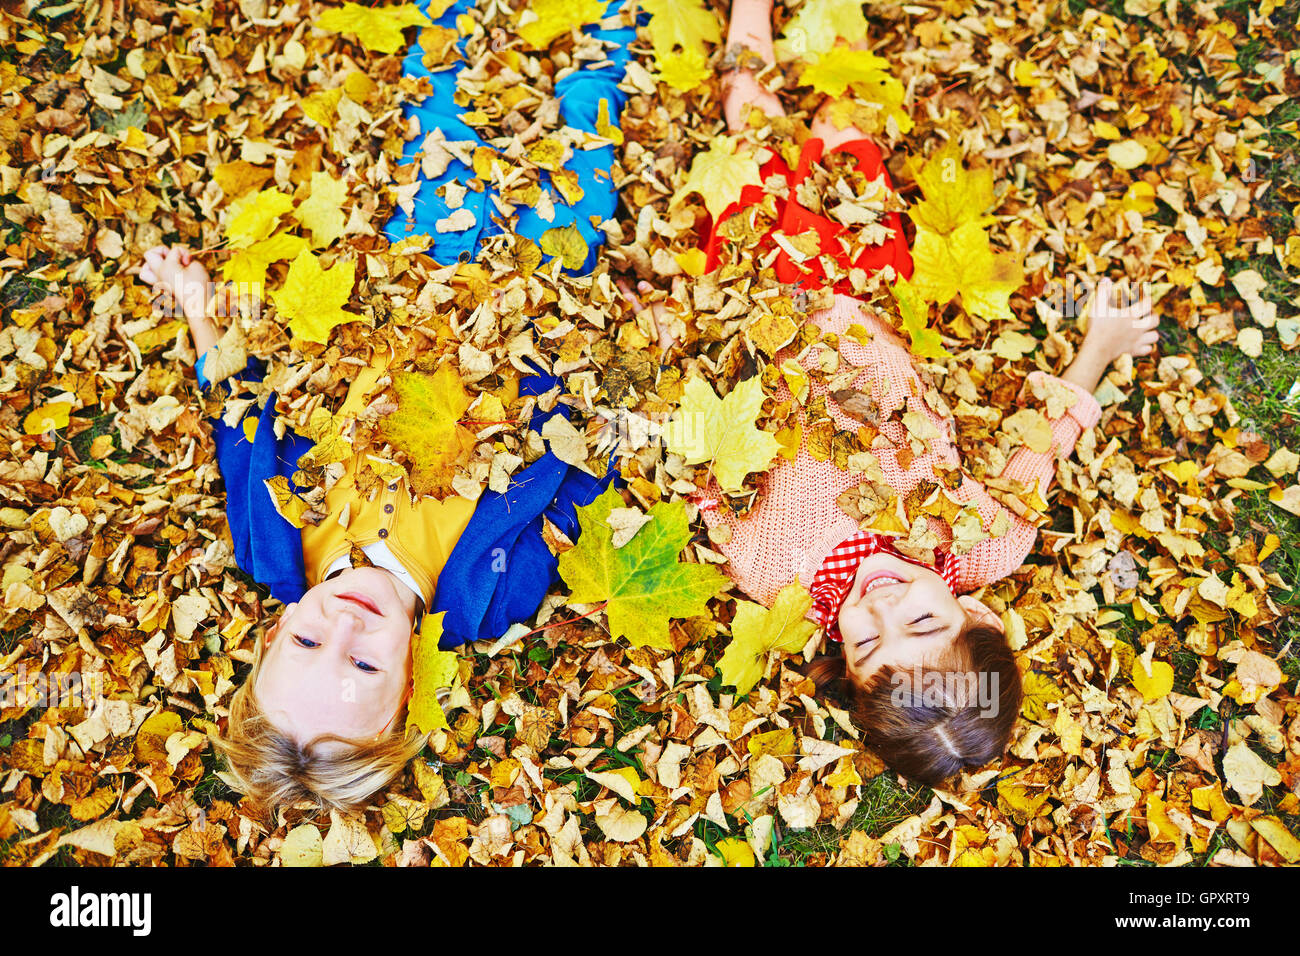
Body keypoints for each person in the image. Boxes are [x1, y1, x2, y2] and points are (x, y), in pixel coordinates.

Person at [622, 0, 1159, 786]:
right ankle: (832, 33)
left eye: (869, 643)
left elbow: (701, 450)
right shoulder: (983, 541)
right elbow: (1040, 445)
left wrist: (668, 345)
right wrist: (1096, 351)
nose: (880, 606)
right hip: (871, 291)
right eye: (922, 619)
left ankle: (749, 21)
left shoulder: (773, 572)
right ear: (973, 615)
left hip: (765, 297)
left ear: (843, 661)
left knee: (754, 134)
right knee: (850, 134)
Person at [134, 0, 642, 815]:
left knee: (442, 105)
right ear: (408, 686)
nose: (346, 626)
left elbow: (237, 415)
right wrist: (597, 396)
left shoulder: (272, 539)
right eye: (364, 666)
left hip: (420, 270)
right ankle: (610, 28)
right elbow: (578, 495)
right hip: (544, 300)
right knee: (584, 113)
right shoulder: (489, 596)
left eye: (305, 641)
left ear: (273, 633)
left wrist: (199, 308)